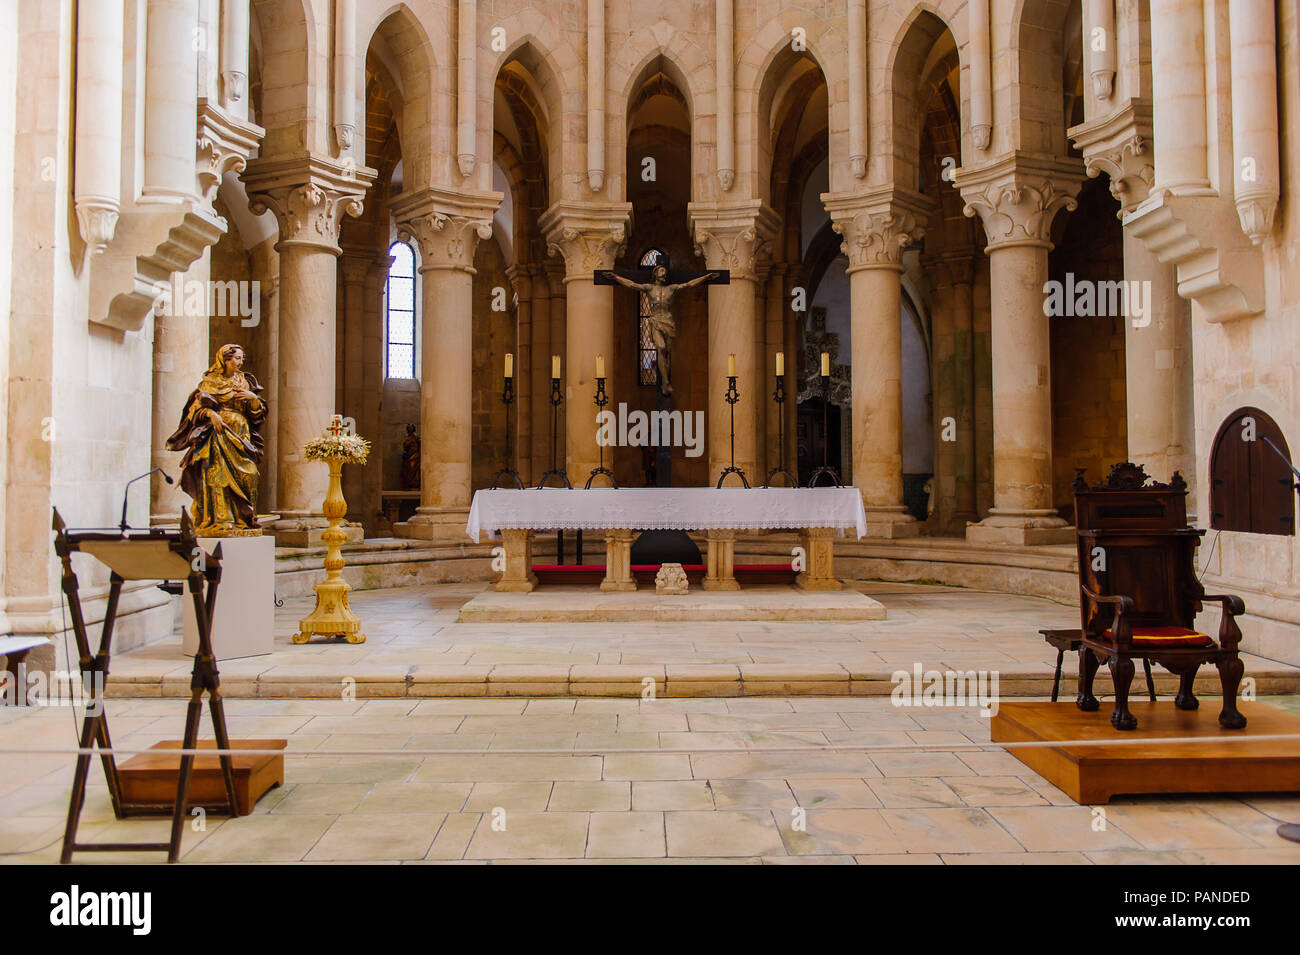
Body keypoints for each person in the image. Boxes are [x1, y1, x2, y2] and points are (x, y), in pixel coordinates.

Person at [166, 343, 266, 535]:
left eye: (241, 358)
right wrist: (211, 414)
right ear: (225, 359)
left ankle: (244, 519)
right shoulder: (210, 382)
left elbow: (258, 414)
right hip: (217, 436)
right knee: (216, 476)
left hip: (241, 436)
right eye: (237, 358)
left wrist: (253, 400)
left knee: (250, 474)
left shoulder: (246, 381)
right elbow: (195, 409)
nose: (240, 361)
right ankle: (221, 520)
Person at [605, 265, 716, 395]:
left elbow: (689, 284)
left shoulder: (671, 288)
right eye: (661, 271)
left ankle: (665, 382)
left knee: (666, 354)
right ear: (655, 273)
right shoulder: (649, 288)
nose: (664, 273)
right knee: (661, 348)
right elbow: (631, 284)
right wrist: (616, 277)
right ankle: (666, 382)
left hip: (668, 322)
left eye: (665, 271)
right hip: (655, 321)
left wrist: (705, 277)